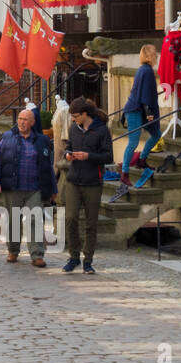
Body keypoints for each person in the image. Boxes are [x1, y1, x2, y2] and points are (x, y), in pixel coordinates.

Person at [0, 107, 58, 266]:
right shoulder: (7, 137)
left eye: (25, 119)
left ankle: (37, 254)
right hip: (12, 188)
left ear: (33, 122)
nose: (21, 122)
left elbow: (48, 167)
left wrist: (53, 189)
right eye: (20, 119)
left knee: (35, 219)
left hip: (35, 188)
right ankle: (13, 251)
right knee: (13, 220)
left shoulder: (42, 141)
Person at [61, 98, 114, 274]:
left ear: (85, 114)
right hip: (74, 179)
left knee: (91, 223)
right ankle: (73, 256)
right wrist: (68, 155)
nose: (73, 119)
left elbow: (108, 157)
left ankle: (88, 260)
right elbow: (68, 147)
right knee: (70, 218)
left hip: (93, 181)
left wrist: (88, 156)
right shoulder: (73, 129)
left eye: (76, 116)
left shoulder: (102, 130)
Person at [120, 43, 163, 191]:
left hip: (137, 108)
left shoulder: (143, 70)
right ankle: (124, 174)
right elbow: (144, 95)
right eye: (154, 53)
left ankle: (142, 160)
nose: (156, 55)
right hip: (136, 110)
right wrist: (149, 112)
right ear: (150, 56)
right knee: (133, 143)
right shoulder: (147, 71)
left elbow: (138, 92)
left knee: (156, 134)